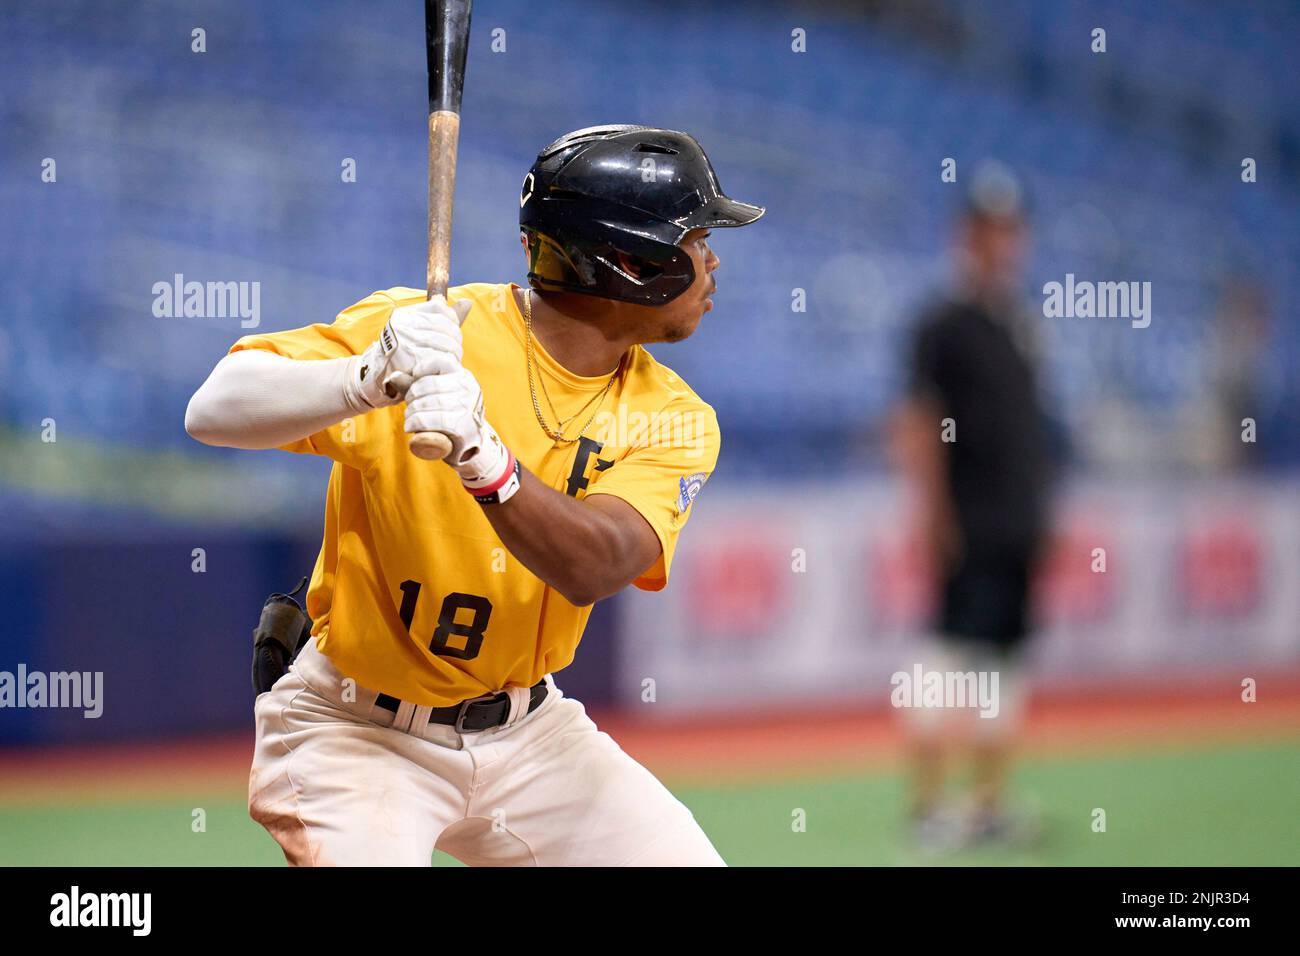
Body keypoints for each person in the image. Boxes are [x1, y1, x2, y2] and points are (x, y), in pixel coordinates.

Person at [184, 125, 763, 866]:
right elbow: (212, 409)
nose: (712, 260)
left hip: (532, 735)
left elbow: (597, 562)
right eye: (696, 238)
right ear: (629, 263)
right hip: (356, 733)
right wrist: (366, 380)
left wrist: (484, 458)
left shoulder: (672, 413)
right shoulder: (429, 335)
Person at [891, 161, 1053, 850]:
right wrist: (932, 514)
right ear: (966, 234)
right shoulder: (942, 323)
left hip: (1016, 525)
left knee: (1002, 667)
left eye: (1011, 229)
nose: (1002, 242)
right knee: (944, 660)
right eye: (990, 229)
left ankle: (987, 804)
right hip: (969, 523)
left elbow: (1032, 428)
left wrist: (1043, 514)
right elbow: (918, 422)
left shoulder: (1017, 322)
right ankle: (929, 808)